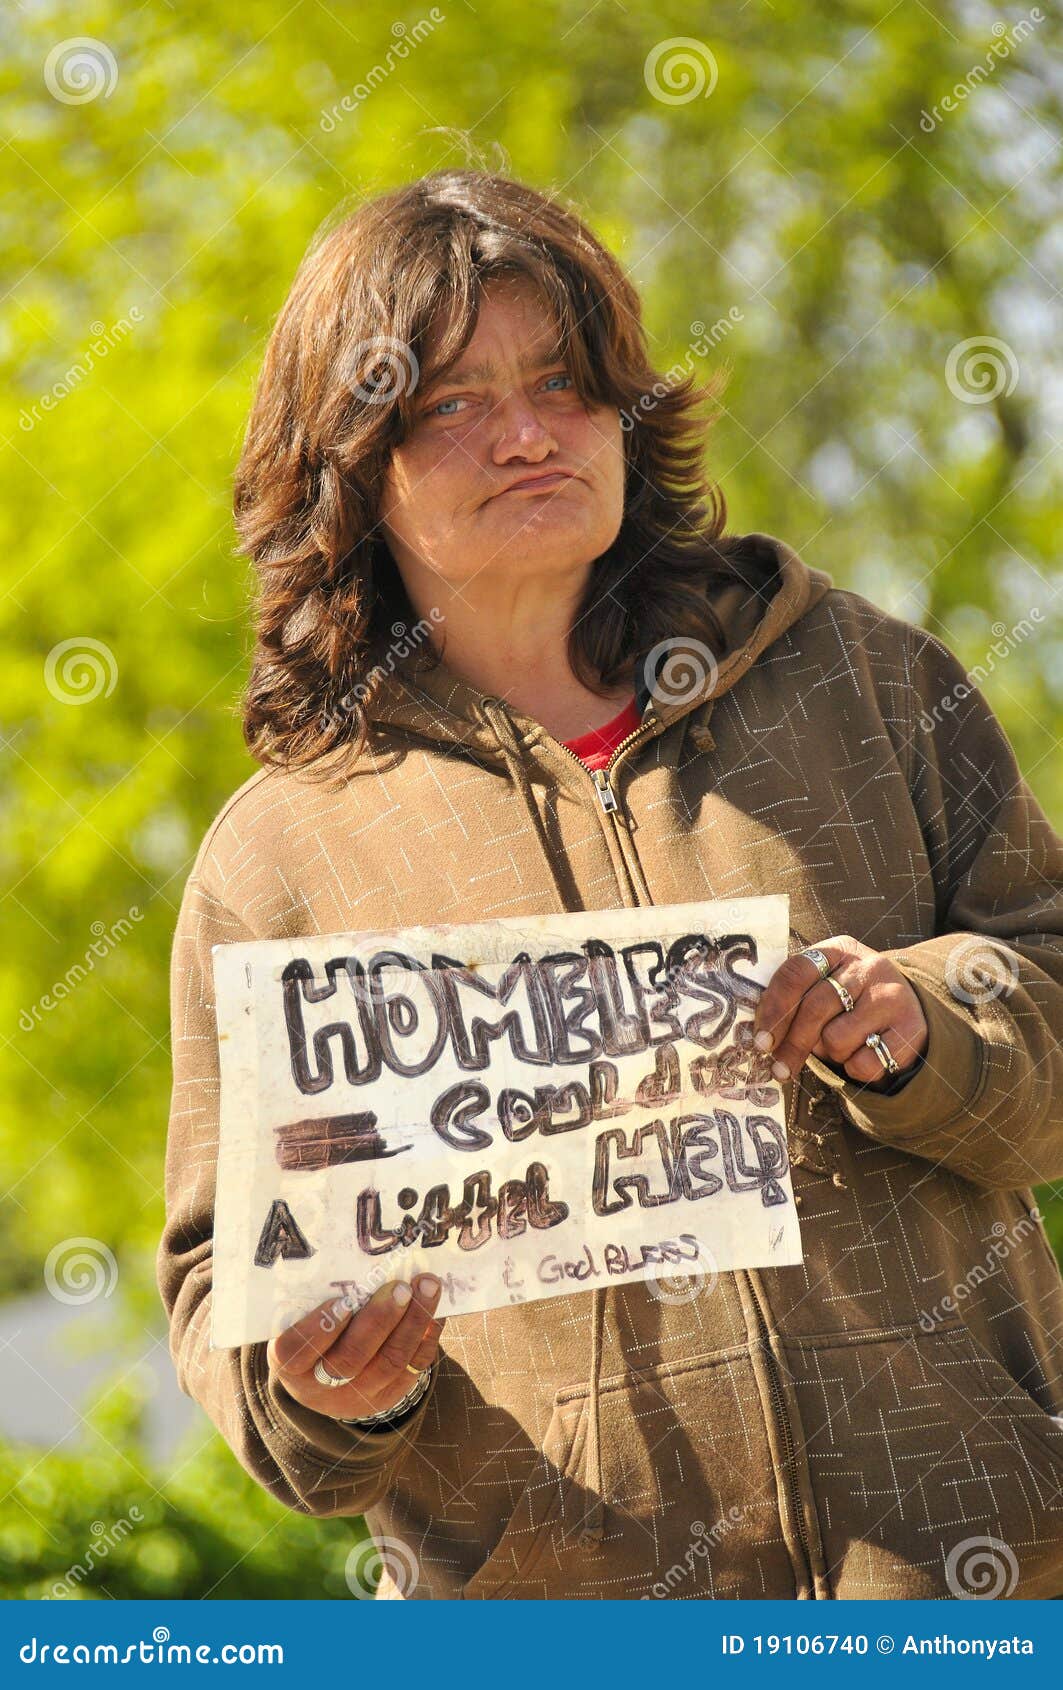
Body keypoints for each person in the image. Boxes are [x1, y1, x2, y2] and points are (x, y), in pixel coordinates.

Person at [157, 169, 1063, 1601]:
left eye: (566, 382)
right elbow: (223, 1287)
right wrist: (325, 1389)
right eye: (450, 403)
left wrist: (925, 1024)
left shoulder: (869, 682)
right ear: (352, 465)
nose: (527, 433)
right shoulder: (275, 858)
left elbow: (1049, 995)